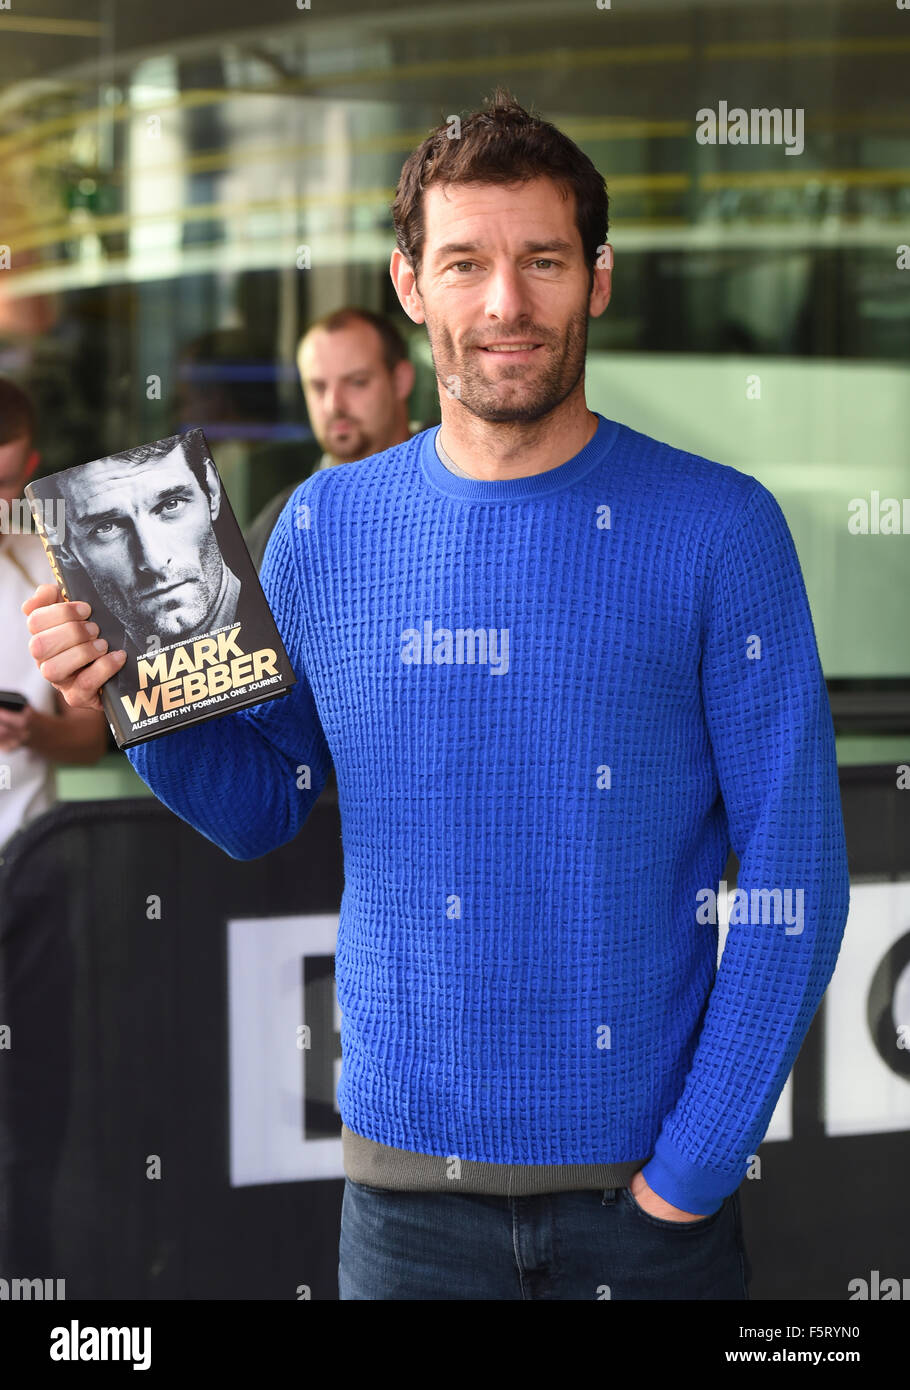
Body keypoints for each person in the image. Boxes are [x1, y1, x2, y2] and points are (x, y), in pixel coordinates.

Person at [22, 89, 850, 1301]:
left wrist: (693, 1169)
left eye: (543, 260)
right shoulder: (320, 526)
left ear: (597, 279)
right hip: (404, 1213)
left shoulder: (720, 529)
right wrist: (137, 695)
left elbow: (797, 869)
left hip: (649, 1216)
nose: (504, 303)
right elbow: (265, 805)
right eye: (464, 262)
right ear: (411, 286)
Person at [0, 377, 107, 850]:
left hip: (26, 861)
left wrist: (35, 732)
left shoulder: (55, 566)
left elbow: (89, 741)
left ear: (29, 469)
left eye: (2, 482)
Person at [244, 307, 418, 571]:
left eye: (357, 382)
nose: (333, 404)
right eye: (318, 386)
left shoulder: (456, 488)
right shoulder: (281, 519)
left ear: (401, 381)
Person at [51, 432, 248, 663]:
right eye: (106, 527)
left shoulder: (285, 614)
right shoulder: (101, 666)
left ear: (212, 491)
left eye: (171, 505)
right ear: (63, 549)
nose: (153, 561)